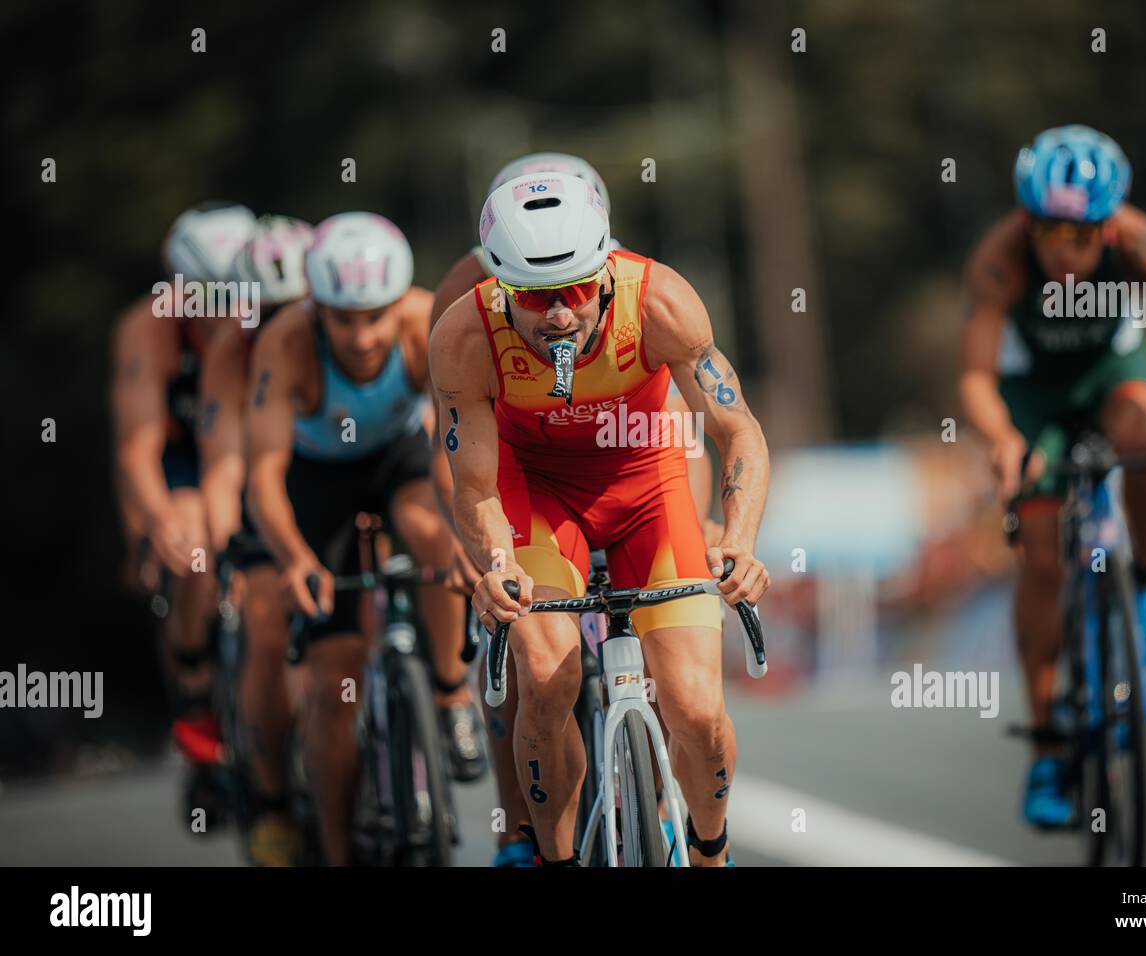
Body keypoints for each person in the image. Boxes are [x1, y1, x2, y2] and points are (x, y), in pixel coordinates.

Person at [430, 172, 770, 866]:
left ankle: (710, 853)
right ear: (499, 285)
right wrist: (496, 565)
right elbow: (473, 486)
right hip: (536, 494)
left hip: (647, 483)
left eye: (577, 290)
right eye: (534, 297)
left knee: (697, 709)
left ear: (605, 270)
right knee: (548, 681)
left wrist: (736, 539)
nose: (558, 315)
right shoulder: (464, 332)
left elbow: (738, 431)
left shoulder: (662, 299)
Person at [958, 125, 1146, 827]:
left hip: (1113, 375)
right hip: (1033, 392)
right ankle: (1047, 748)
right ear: (1026, 219)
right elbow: (976, 376)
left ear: (1110, 225)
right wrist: (1004, 439)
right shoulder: (999, 260)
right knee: (1041, 561)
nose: (1064, 249)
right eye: (1049, 229)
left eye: (1083, 234)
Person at [246, 211, 482, 865]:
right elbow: (262, 474)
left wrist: (464, 535)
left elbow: (450, 442)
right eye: (343, 319)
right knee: (331, 680)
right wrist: (295, 559)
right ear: (315, 306)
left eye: (374, 315)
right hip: (317, 477)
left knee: (432, 534)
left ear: (397, 303)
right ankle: (337, 846)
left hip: (402, 458)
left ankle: (449, 690)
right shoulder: (287, 343)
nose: (361, 336)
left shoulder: (425, 319)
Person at [110, 201, 257, 814]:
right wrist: (151, 528)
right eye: (211, 300)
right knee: (189, 543)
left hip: (255, 449)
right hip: (180, 461)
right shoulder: (149, 329)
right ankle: (196, 692)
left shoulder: (273, 313)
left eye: (238, 296)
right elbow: (136, 450)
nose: (228, 315)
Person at [198, 214, 315, 865]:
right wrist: (223, 552)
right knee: (267, 631)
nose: (279, 325)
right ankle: (273, 802)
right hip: (267, 499)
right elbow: (223, 465)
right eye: (264, 311)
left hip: (339, 486)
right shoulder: (231, 354)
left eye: (293, 307)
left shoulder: (350, 331)